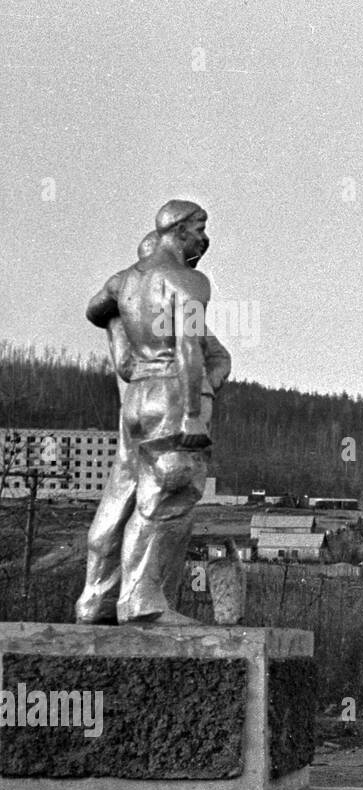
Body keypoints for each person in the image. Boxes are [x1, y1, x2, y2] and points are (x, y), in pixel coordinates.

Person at [75, 200, 230, 625]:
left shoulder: (123, 282)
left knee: (121, 494)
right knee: (168, 496)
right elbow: (188, 345)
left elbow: (96, 311)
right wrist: (191, 414)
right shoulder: (189, 280)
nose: (203, 237)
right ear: (179, 230)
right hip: (173, 394)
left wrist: (121, 344)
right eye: (200, 228)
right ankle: (142, 603)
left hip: (137, 396)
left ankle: (97, 600)